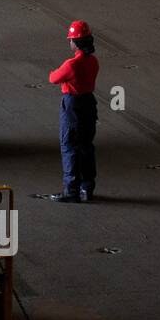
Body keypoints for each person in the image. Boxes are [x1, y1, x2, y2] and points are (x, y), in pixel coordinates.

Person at [49, 20, 100, 203]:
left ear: (75, 42)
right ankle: (87, 188)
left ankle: (71, 190)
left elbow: (53, 78)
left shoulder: (71, 64)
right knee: (86, 146)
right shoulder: (93, 61)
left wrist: (60, 75)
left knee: (69, 145)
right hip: (89, 103)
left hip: (72, 106)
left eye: (71, 39)